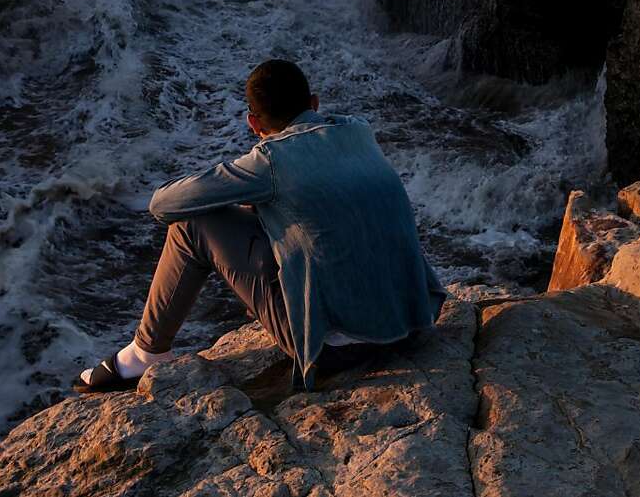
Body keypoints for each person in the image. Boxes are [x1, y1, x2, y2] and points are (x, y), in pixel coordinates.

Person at [74, 59, 445, 395]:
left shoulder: (270, 161)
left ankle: (145, 353)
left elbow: (162, 204)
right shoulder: (358, 132)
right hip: (413, 320)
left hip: (342, 348)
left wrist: (238, 193)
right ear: (314, 103)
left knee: (191, 226)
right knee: (300, 216)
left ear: (254, 123)